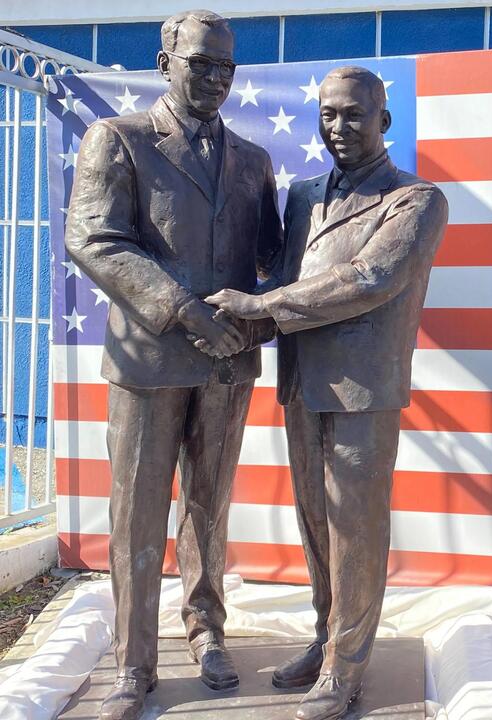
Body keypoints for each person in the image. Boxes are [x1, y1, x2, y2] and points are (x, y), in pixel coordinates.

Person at [206, 66, 448, 720]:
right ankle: (324, 638)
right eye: (328, 114)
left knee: (355, 530)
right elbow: (286, 274)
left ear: (383, 121)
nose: (338, 126)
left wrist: (261, 307)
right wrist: (216, 303)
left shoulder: (416, 199)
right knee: (316, 523)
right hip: (302, 385)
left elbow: (370, 278)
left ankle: (346, 668)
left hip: (364, 390)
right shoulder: (304, 195)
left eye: (354, 114)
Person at [65, 10, 282, 720]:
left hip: (227, 364)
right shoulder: (119, 139)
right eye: (201, 64)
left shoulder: (252, 159)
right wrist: (184, 309)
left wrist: (263, 310)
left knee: (209, 507)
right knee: (136, 514)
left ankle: (207, 630)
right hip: (149, 359)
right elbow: (94, 238)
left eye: (227, 67)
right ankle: (134, 661)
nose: (217, 78)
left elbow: (271, 256)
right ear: (165, 63)